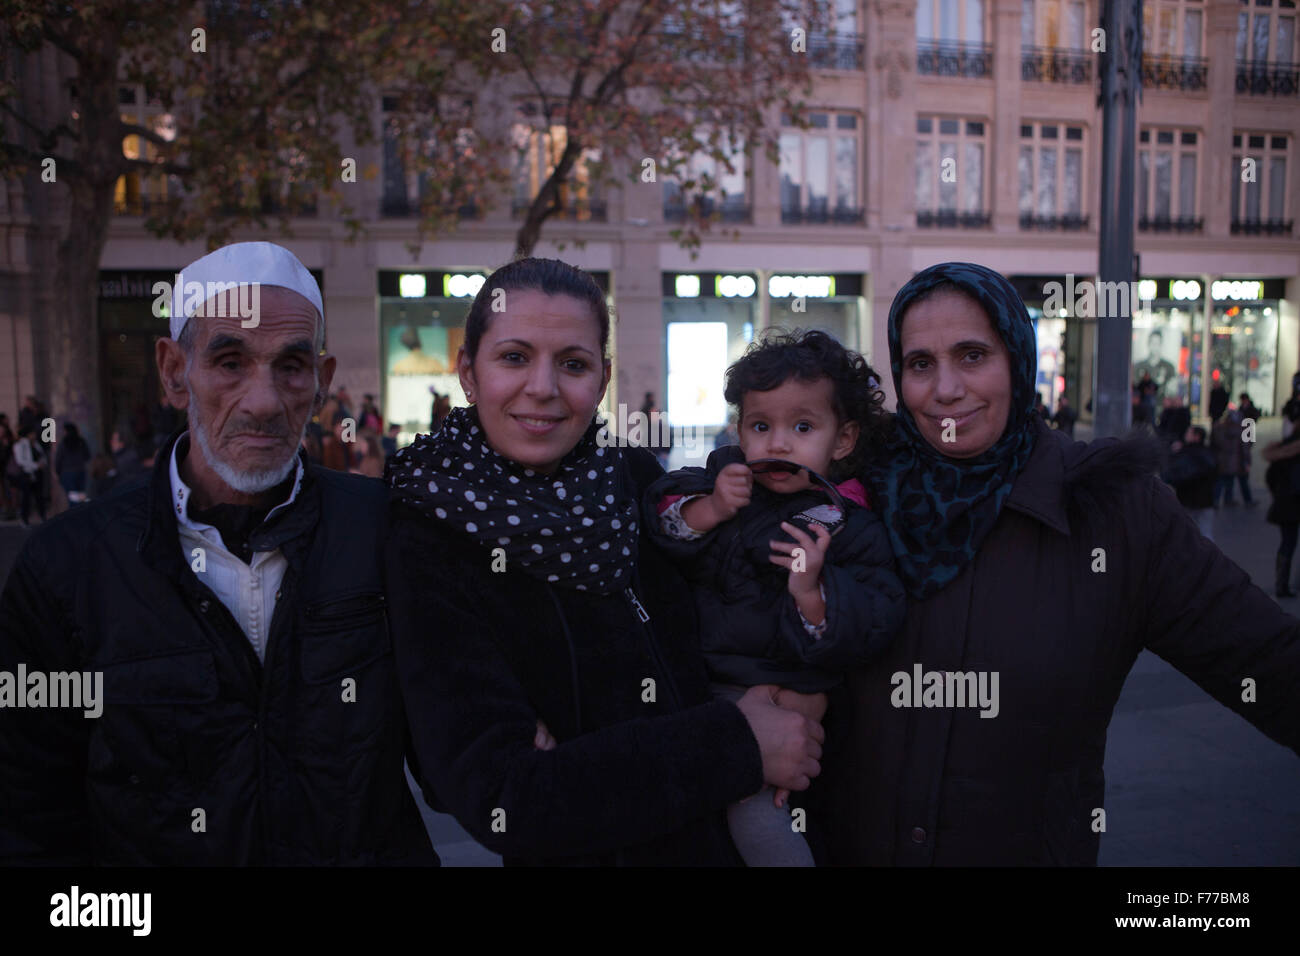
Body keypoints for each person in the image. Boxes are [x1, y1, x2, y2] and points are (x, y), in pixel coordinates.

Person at [816, 262, 1300, 865]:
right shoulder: (844, 497)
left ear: (1018, 361)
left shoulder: (1117, 513)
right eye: (921, 364)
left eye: (972, 356)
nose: (945, 389)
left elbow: (1268, 664)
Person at [0, 241, 435, 865]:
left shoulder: (386, 531)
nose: (262, 402)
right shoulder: (67, 566)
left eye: (290, 366)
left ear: (321, 380)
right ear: (175, 372)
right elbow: (28, 809)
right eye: (230, 361)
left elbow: (459, 748)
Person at [385, 257, 824, 866]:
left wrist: (790, 696)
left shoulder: (638, 482)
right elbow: (505, 797)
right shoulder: (430, 530)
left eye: (573, 364)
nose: (543, 387)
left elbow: (744, 620)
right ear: (467, 370)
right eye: (514, 357)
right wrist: (736, 742)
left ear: (603, 377)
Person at [644, 329, 905, 866]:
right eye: (761, 426)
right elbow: (663, 527)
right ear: (740, 429)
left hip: (785, 698)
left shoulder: (850, 525)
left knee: (754, 812)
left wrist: (813, 592)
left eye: (802, 426)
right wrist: (711, 509)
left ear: (844, 439)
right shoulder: (723, 484)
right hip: (699, 686)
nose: (779, 443)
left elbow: (876, 617)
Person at [1263, 425, 1300, 597]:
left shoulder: (1281, 451)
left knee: (1287, 543)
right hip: (1293, 502)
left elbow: (1270, 477)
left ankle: (1281, 584)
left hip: (1284, 503)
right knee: (1289, 543)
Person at [1162, 426, 1217, 541]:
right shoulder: (1208, 453)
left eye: (1189, 433)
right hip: (1205, 501)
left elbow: (1175, 474)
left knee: (1187, 533)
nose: (1186, 435)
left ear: (1196, 437)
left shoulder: (1187, 454)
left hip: (1188, 500)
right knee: (1204, 533)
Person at [1212, 408, 1253, 507]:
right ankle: (1246, 501)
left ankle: (1217, 500)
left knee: (1222, 480)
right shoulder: (1243, 429)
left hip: (1223, 459)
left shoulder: (1219, 427)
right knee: (1241, 481)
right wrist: (1247, 461)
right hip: (1238, 460)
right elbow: (1246, 447)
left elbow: (1214, 443)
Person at [8, 424, 47, 525]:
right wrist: (35, 465)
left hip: (37, 474)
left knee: (39, 496)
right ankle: (25, 519)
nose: (34, 435)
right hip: (26, 474)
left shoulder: (36, 444)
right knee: (26, 497)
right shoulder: (20, 445)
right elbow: (21, 461)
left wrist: (42, 464)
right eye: (32, 433)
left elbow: (42, 455)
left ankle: (43, 517)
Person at [53, 421, 92, 504]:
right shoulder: (81, 441)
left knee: (73, 500)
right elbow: (87, 456)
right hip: (81, 472)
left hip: (68, 474)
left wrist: (57, 472)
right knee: (81, 498)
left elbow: (58, 459)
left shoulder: (64, 443)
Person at [1133, 328, 1176, 400]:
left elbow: (1173, 392)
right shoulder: (1138, 366)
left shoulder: (1169, 367)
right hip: (1142, 406)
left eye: (1157, 344)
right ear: (1148, 344)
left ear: (1161, 345)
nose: (1155, 347)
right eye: (1153, 343)